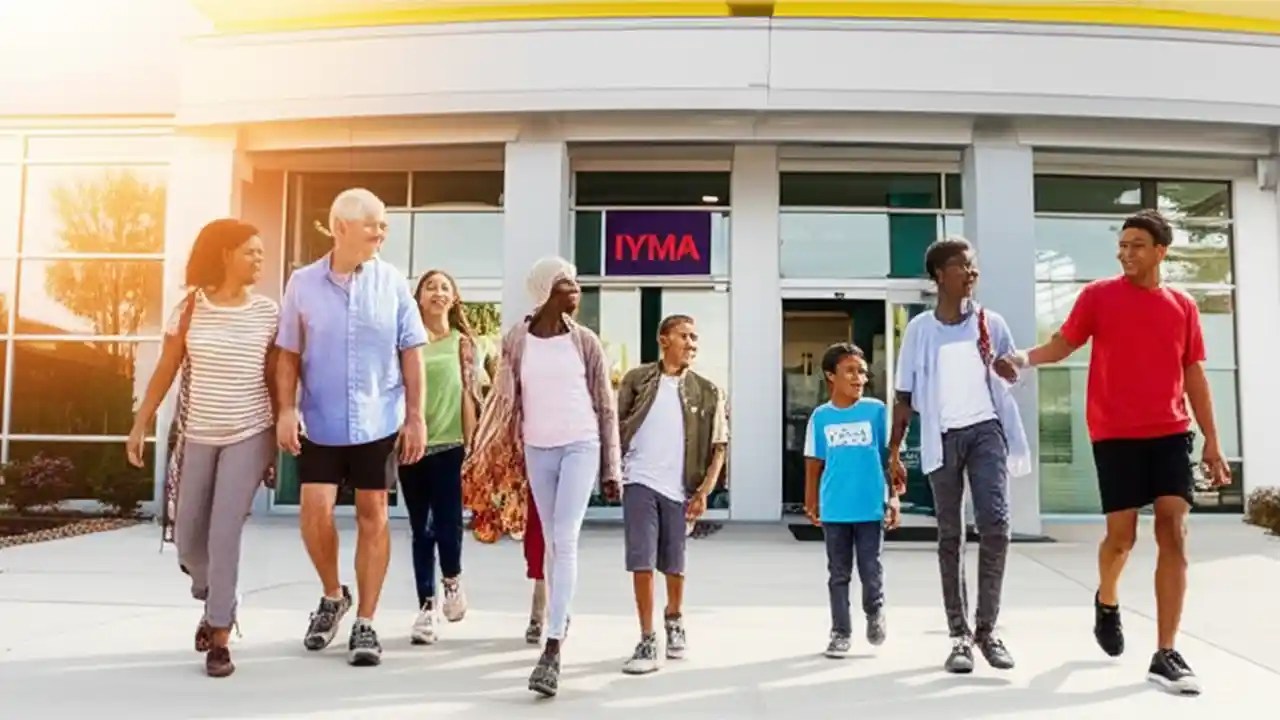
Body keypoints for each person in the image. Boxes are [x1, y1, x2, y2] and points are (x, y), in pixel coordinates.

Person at [997, 209, 1231, 695]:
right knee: (1121, 540)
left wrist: (1212, 439)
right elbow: (1063, 344)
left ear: (1161, 251)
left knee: (1174, 532)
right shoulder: (1099, 296)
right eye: (1122, 245)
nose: (1126, 253)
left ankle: (1166, 652)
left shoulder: (1182, 305)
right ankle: (1107, 599)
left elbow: (1194, 374)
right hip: (1115, 434)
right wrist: (1021, 358)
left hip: (1170, 431)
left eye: (1137, 245)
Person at [275, 187, 429, 667]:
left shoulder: (393, 283)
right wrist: (285, 409)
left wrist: (416, 417)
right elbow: (288, 353)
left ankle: (366, 620)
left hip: (378, 420)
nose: (382, 232)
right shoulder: (302, 283)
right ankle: (331, 594)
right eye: (373, 225)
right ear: (340, 227)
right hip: (319, 420)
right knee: (314, 513)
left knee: (374, 516)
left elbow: (411, 353)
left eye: (384, 224)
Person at [462, 256, 621, 698]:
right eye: (567, 284)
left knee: (565, 537)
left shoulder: (585, 341)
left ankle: (552, 646)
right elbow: (503, 398)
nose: (577, 291)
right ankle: (559, 611)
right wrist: (487, 450)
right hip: (536, 447)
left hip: (581, 444)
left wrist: (612, 467)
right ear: (546, 290)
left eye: (576, 283)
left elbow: (605, 405)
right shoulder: (517, 338)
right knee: (550, 539)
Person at [127, 218, 278, 678]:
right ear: (225, 254)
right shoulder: (190, 309)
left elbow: (279, 374)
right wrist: (140, 423)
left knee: (223, 532)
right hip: (197, 433)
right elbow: (167, 367)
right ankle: (212, 595)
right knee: (189, 539)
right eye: (250, 251)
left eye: (260, 251)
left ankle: (219, 636)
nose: (259, 259)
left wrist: (290, 419)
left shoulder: (268, 312)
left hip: (250, 431)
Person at [889, 236, 1031, 675]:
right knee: (951, 536)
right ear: (938, 276)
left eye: (974, 267)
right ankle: (959, 635)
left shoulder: (991, 322)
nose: (972, 274)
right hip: (942, 437)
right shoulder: (919, 330)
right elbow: (904, 395)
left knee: (996, 525)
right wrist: (893, 452)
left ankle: (987, 630)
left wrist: (1013, 370)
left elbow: (1009, 376)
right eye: (962, 267)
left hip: (986, 431)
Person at [615, 314, 729, 675]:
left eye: (695, 337)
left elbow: (719, 445)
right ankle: (647, 637)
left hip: (681, 488)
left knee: (675, 564)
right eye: (684, 336)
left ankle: (674, 618)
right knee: (642, 560)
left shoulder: (708, 391)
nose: (692, 343)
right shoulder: (636, 380)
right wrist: (612, 471)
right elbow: (616, 426)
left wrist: (705, 490)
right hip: (639, 481)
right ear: (663, 339)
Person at [402, 270, 482, 645]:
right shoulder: (405, 341)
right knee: (422, 528)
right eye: (430, 287)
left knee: (447, 524)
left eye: (444, 288)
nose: (437, 293)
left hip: (451, 445)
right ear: (418, 297)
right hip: (412, 446)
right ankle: (426, 607)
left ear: (453, 299)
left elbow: (469, 393)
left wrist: (472, 446)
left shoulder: (462, 343)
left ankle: (452, 581)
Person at [803, 343, 897, 659]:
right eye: (851, 371)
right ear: (831, 376)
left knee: (871, 568)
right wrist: (811, 502)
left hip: (870, 507)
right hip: (835, 509)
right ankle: (840, 632)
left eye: (862, 372)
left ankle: (875, 611)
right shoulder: (821, 417)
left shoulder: (876, 411)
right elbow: (814, 463)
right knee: (838, 574)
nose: (859, 378)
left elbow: (889, 459)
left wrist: (893, 498)